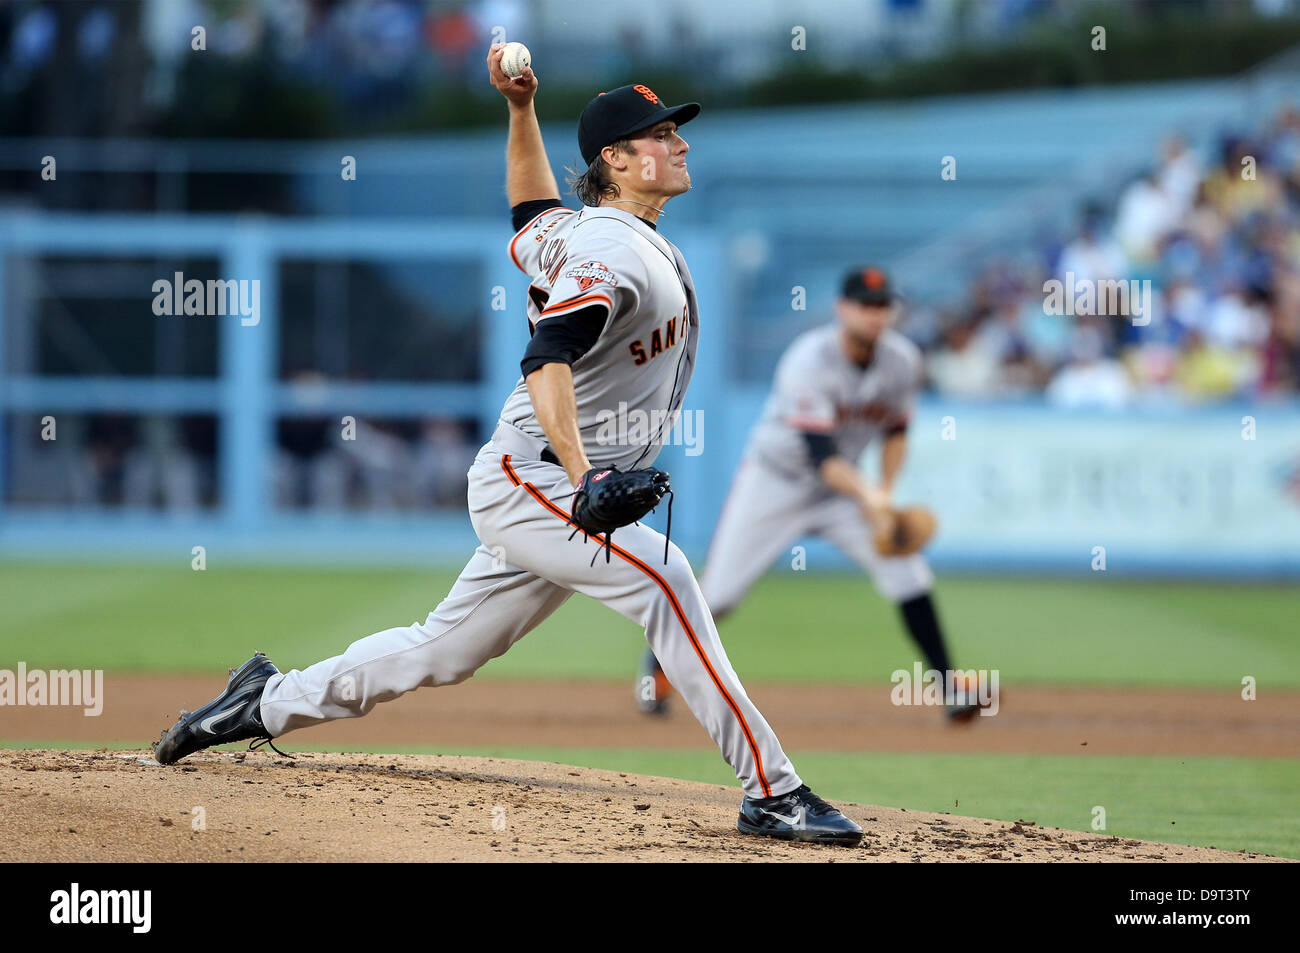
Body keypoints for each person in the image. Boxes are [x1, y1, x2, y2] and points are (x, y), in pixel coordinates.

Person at [150, 44, 862, 847]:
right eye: (661, 135)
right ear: (617, 161)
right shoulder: (612, 248)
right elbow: (545, 356)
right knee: (665, 580)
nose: (680, 144)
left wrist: (521, 110)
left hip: (551, 481)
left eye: (674, 132)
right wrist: (588, 474)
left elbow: (528, 212)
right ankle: (772, 789)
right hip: (537, 476)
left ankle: (263, 701)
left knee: (444, 650)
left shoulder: (579, 229)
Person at [636, 267, 985, 722]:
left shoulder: (903, 361)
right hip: (775, 482)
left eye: (883, 306)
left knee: (909, 574)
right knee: (719, 594)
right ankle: (655, 674)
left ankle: (948, 685)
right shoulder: (808, 359)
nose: (876, 315)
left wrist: (883, 493)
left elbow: (897, 432)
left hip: (845, 491)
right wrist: (872, 498)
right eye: (866, 305)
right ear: (842, 309)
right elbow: (822, 458)